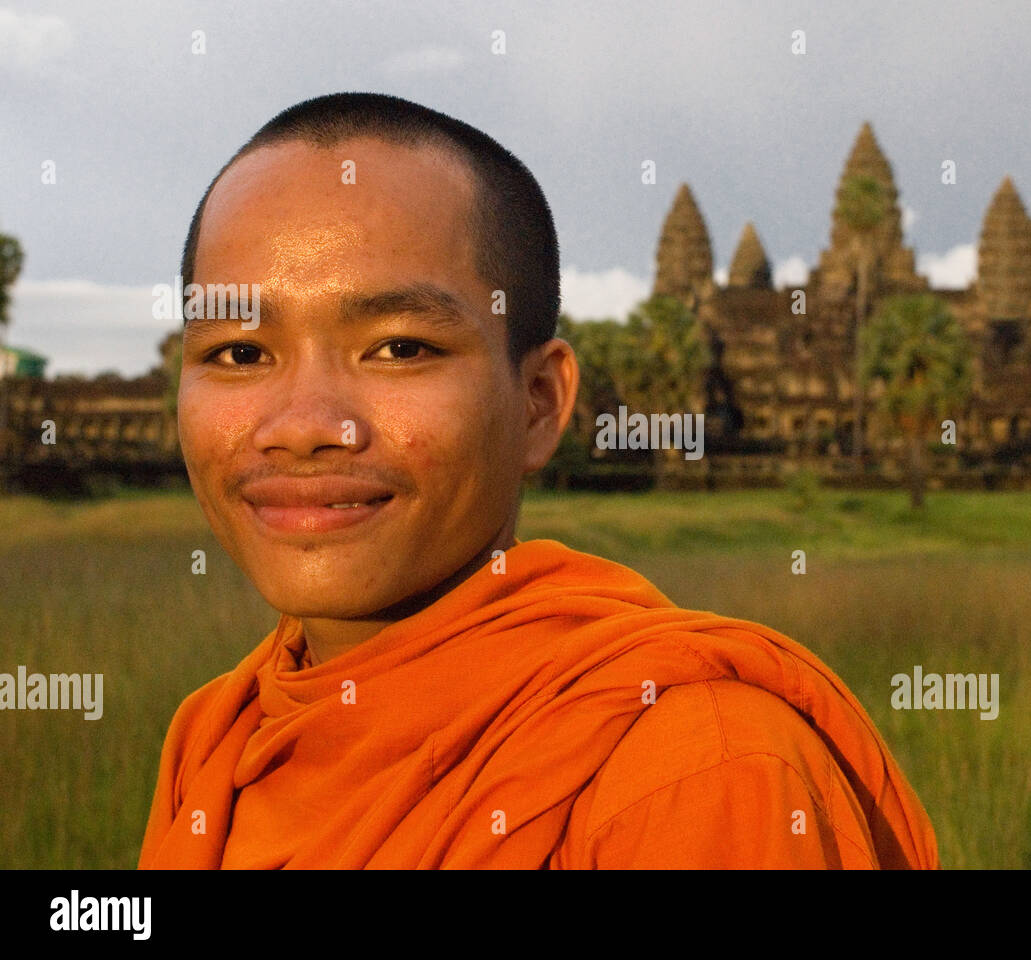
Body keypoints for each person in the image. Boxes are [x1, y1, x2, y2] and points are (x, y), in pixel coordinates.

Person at [138, 92, 938, 869]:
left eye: (400, 348)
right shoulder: (214, 742)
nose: (307, 425)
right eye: (239, 353)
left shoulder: (695, 766)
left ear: (539, 402)